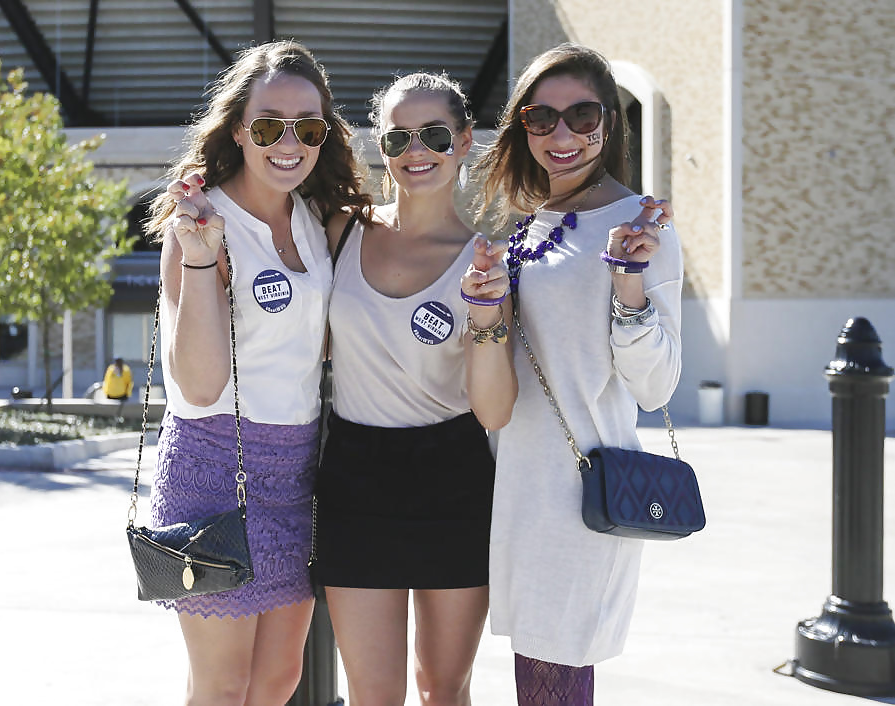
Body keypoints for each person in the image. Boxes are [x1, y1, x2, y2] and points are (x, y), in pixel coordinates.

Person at [143, 40, 370, 705]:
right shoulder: (202, 221)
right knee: (223, 687)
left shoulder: (311, 220)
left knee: (276, 682)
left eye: (308, 127)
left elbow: (321, 346)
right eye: (269, 125)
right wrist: (197, 255)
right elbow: (202, 384)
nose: (288, 142)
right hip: (215, 464)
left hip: (294, 473)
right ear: (240, 129)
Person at [470, 43, 681, 704]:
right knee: (533, 676)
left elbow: (655, 387)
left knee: (554, 683)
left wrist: (629, 288)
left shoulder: (640, 225)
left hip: (582, 494)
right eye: (540, 118)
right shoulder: (525, 228)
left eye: (581, 114)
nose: (561, 135)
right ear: (520, 127)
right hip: (516, 488)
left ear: (607, 123)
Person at [313, 72, 517, 706]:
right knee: (373, 694)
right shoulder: (340, 231)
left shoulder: (486, 259)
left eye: (433, 134)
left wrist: (486, 318)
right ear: (382, 145)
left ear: (463, 142)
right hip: (354, 475)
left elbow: (494, 408)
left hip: (452, 476)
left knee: (443, 689)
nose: (416, 150)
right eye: (399, 136)